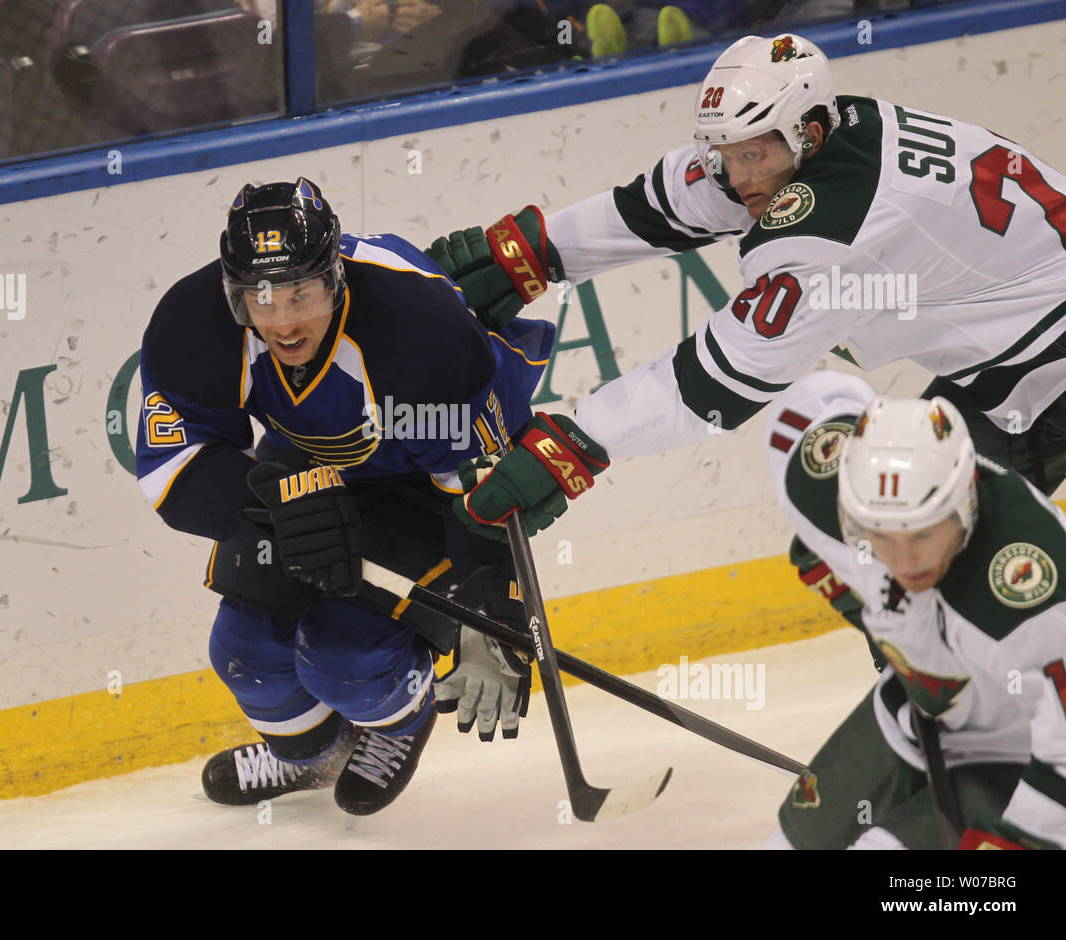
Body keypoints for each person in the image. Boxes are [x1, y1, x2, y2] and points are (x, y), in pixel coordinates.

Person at [427, 32, 1066, 640]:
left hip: (1046, 375)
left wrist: (573, 446)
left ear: (806, 134)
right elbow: (668, 202)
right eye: (726, 155)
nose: (738, 176)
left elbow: (715, 385)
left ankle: (963, 718)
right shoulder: (831, 133)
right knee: (873, 538)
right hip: (1014, 352)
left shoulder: (833, 235)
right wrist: (532, 252)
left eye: (752, 155)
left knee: (903, 542)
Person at [134, 178, 555, 815]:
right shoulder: (193, 328)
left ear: (335, 280)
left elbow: (475, 486)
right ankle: (313, 758)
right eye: (262, 297)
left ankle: (399, 721)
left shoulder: (420, 330)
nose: (282, 320)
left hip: (422, 482)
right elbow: (175, 470)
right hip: (305, 461)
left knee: (347, 653)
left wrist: (489, 598)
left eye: (300, 292)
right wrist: (277, 504)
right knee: (245, 655)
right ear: (235, 291)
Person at [757, 370, 1066, 849]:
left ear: (966, 501)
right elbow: (805, 405)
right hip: (908, 714)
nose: (903, 562)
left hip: (1013, 753)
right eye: (880, 536)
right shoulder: (823, 481)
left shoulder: (1027, 590)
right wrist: (880, 628)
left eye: (923, 534)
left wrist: (1022, 840)